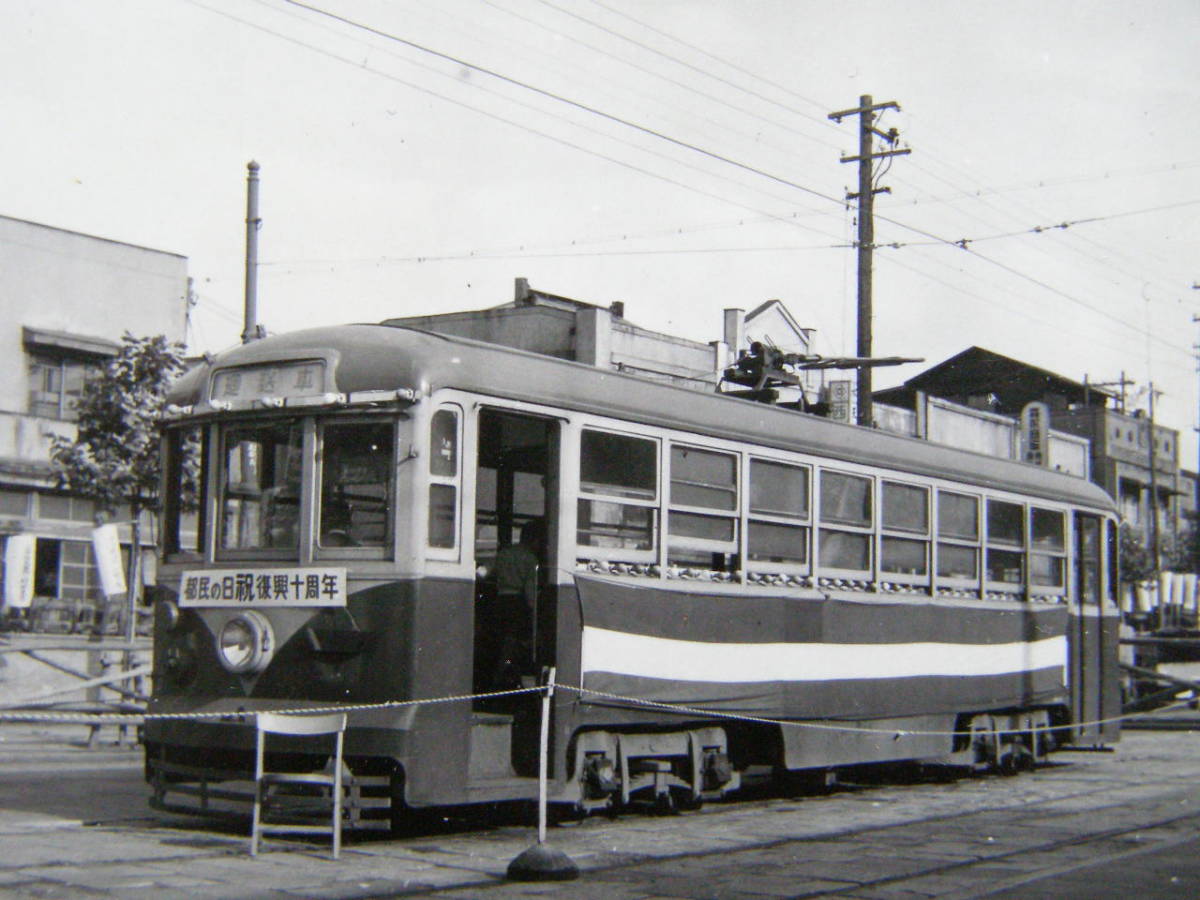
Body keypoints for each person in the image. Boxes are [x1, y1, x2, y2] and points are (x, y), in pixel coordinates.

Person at [492, 519, 542, 686]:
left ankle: (499, 676)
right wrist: (535, 610)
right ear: (533, 539)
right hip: (517, 603)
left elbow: (492, 574)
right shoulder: (530, 559)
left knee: (502, 642)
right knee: (514, 644)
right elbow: (529, 589)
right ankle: (504, 677)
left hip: (500, 600)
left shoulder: (504, 554)